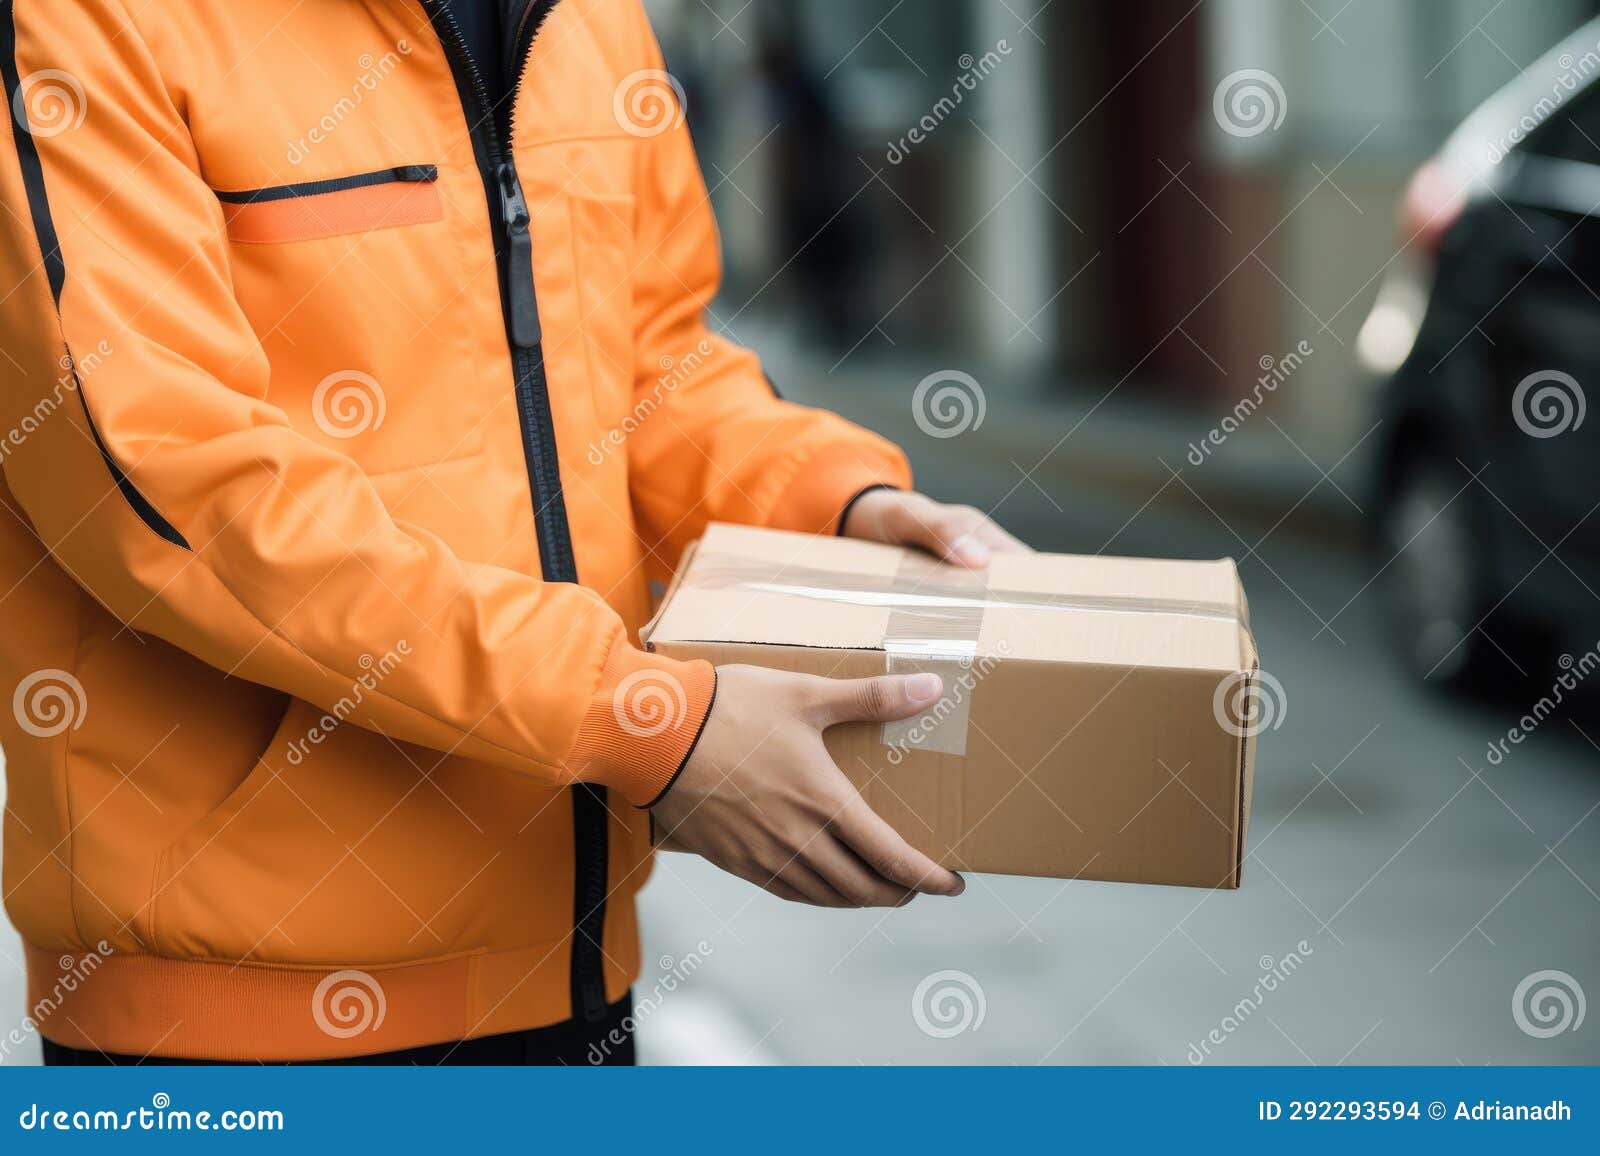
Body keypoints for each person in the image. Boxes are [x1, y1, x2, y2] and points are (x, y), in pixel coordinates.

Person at [0, 0, 1025, 1066]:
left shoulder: (588, 19)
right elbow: (169, 481)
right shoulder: (92, 22)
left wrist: (828, 506)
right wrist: (640, 719)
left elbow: (647, 369)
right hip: (231, 1021)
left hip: (570, 970)